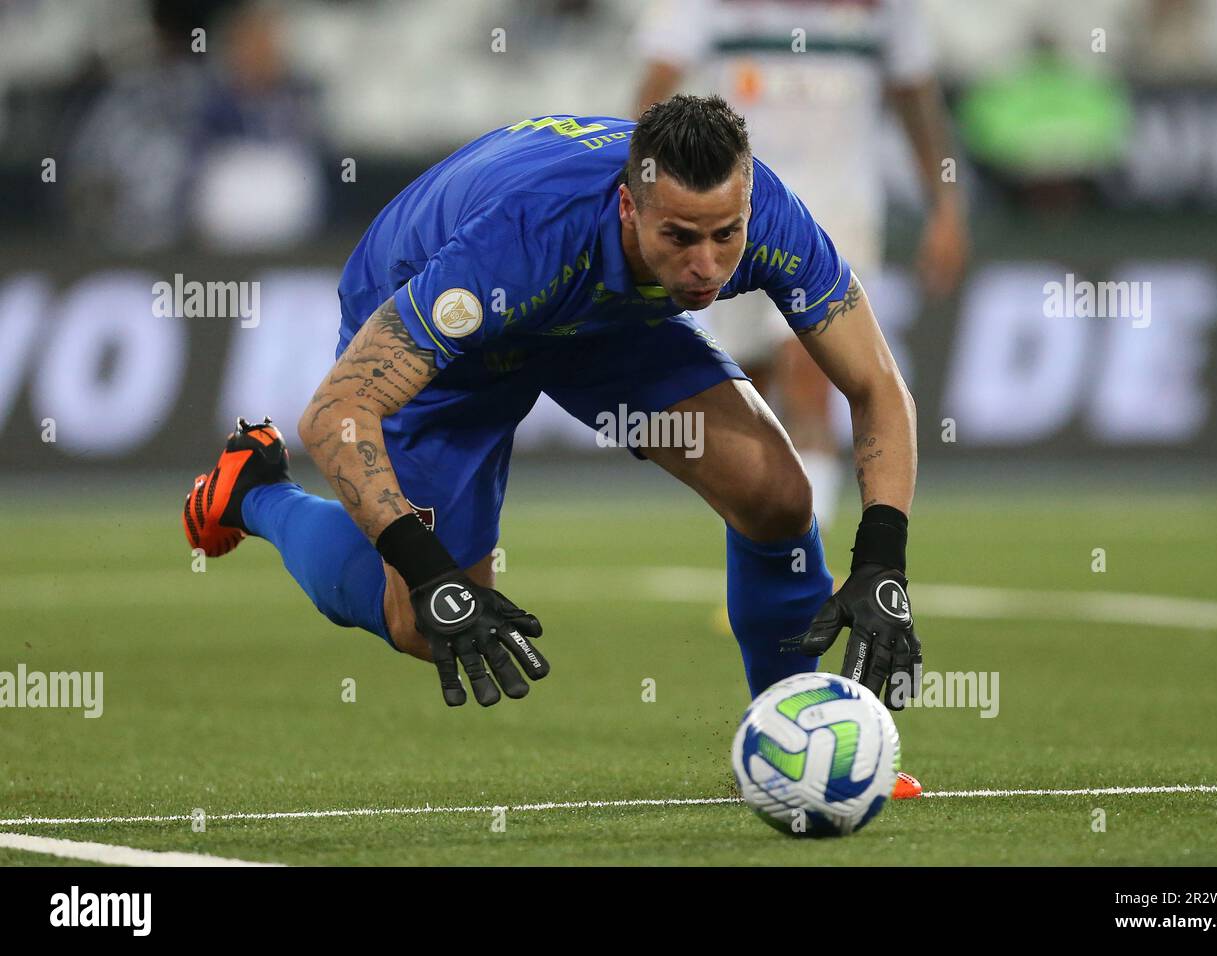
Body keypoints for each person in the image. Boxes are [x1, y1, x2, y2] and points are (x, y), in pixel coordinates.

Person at [181, 96, 923, 796]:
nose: (705, 266)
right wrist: (425, 567)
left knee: (777, 493)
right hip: (451, 325)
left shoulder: (768, 218)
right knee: (428, 624)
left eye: (725, 235)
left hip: (599, 321)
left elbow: (878, 387)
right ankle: (256, 492)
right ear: (630, 208)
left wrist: (883, 557)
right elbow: (337, 414)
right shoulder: (523, 236)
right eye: (680, 238)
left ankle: (800, 743)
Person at [634, 0, 968, 526]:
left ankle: (803, 564)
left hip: (837, 211)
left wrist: (945, 205)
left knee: (812, 374)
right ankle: (760, 552)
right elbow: (654, 92)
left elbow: (916, 100)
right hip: (730, 211)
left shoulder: (885, 8)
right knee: (745, 390)